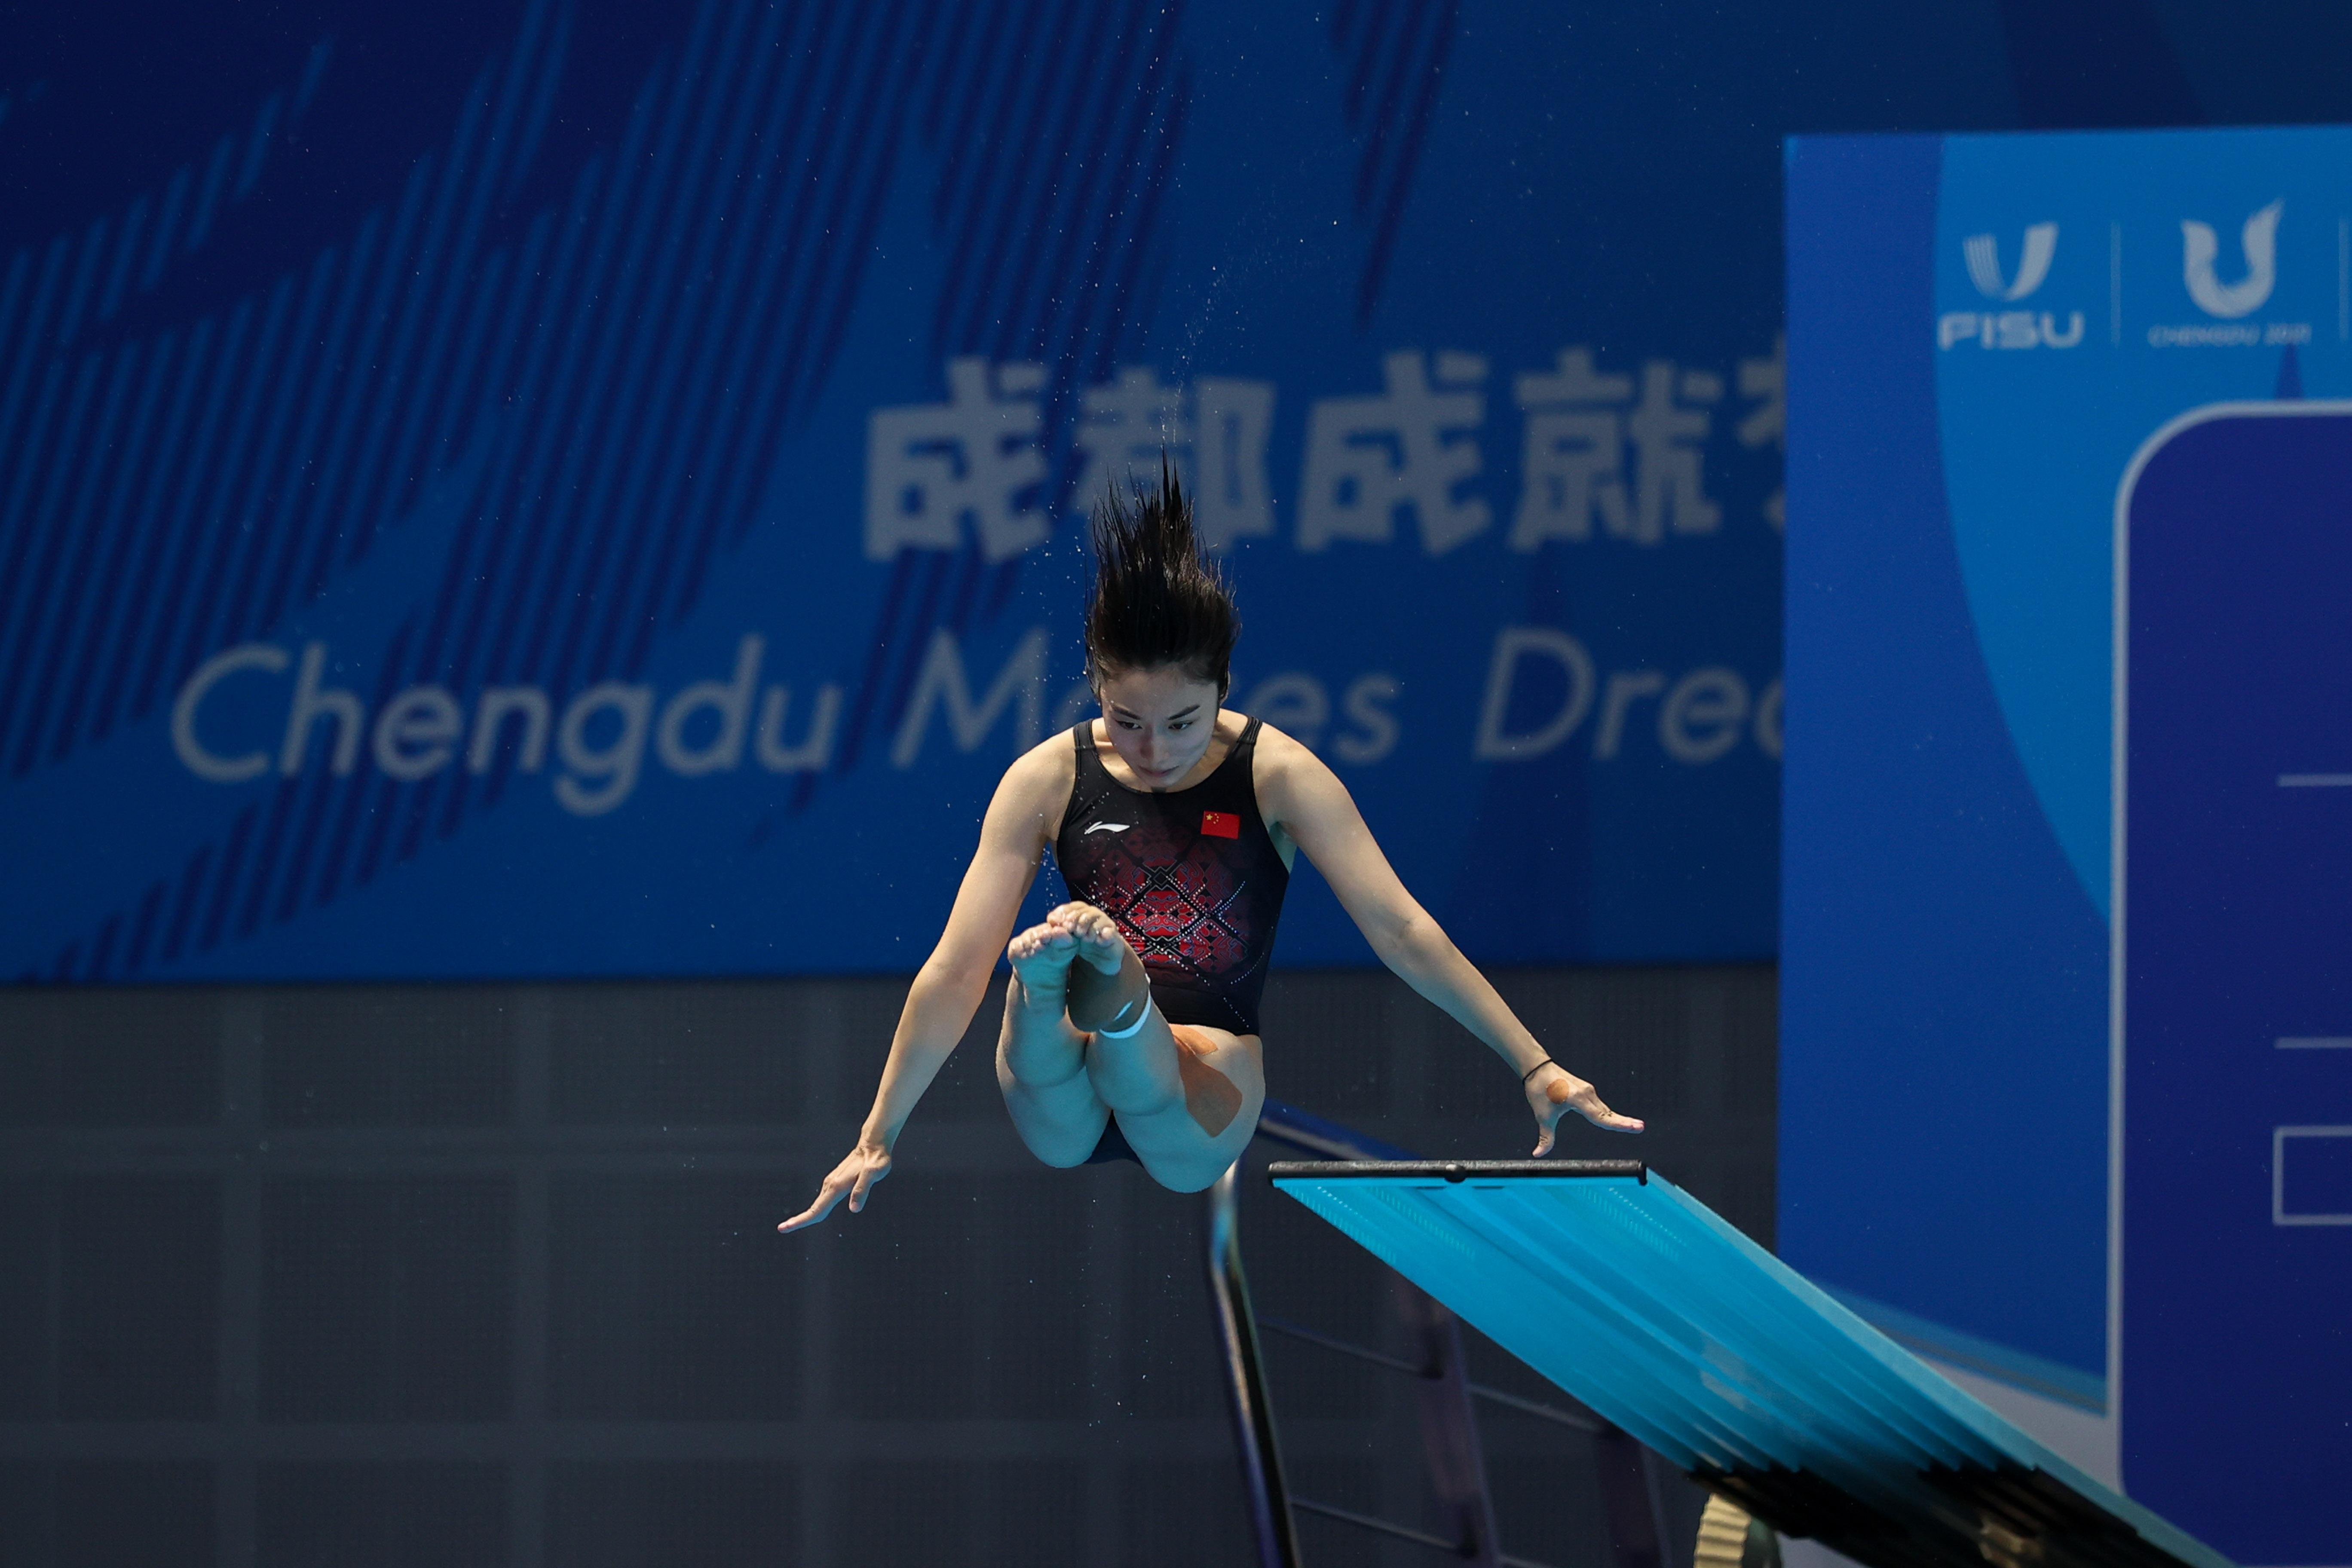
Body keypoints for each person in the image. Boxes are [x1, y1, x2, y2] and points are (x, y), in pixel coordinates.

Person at [780, 467, 1640, 1231]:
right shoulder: (1046, 777)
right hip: (1068, 1093)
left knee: (1139, 1049)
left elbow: (1404, 931)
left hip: (1206, 1082)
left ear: (1224, 687)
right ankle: (1062, 984)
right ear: (1094, 683)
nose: (1153, 749)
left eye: (1183, 722)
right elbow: (952, 971)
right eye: (1127, 722)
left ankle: (1105, 983)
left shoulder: (1280, 775)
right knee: (1023, 1012)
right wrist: (876, 1133)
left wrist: (1534, 1061)